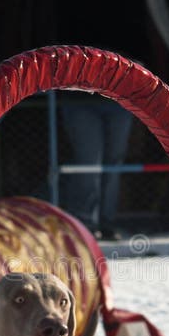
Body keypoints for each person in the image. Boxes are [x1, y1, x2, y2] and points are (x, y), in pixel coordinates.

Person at [60, 92, 133, 240]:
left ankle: (107, 223)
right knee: (89, 163)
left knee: (114, 164)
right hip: (80, 99)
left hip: (119, 99)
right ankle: (84, 223)